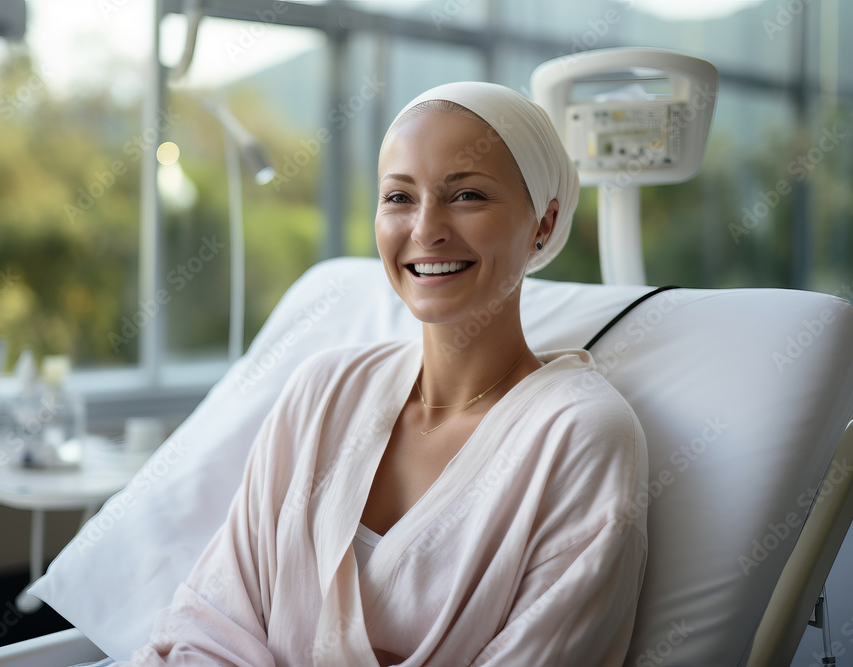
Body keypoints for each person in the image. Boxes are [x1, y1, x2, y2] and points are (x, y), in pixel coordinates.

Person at [118, 82, 648, 666]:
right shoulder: (324, 392)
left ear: (544, 224)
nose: (426, 230)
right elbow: (213, 623)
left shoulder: (579, 436)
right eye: (399, 198)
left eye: (467, 195)